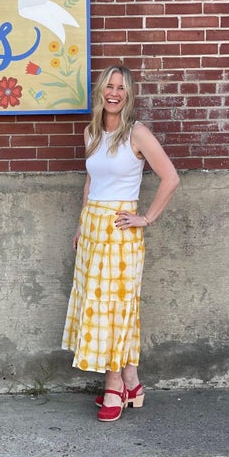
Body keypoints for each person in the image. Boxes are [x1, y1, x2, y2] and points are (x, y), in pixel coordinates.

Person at [61, 64, 179, 422]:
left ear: (128, 95)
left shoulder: (137, 134)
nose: (114, 93)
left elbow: (170, 177)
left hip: (120, 229)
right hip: (93, 226)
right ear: (101, 91)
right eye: (109, 87)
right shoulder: (92, 132)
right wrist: (82, 225)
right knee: (96, 305)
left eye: (121, 88)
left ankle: (114, 384)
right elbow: (90, 182)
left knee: (115, 306)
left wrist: (147, 218)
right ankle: (132, 382)